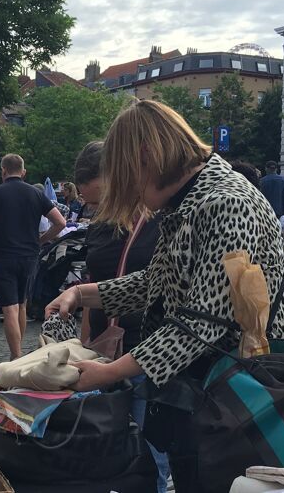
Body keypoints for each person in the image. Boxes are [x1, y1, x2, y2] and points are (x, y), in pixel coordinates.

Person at [43, 100, 284, 490]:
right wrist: (83, 294)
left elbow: (204, 320)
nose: (131, 193)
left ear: (148, 156)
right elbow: (159, 280)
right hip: (207, 392)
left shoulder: (225, 203)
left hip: (241, 390)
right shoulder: (192, 201)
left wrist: (111, 371)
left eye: (129, 177)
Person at [71, 140, 170, 492]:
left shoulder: (161, 219)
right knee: (104, 450)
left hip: (147, 353)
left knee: (149, 458)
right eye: (90, 202)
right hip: (104, 351)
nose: (93, 207)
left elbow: (156, 285)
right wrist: (83, 345)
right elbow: (94, 285)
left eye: (97, 199)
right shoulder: (101, 224)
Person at [0, 154, 66, 359]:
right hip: (29, 256)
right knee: (21, 305)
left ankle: (16, 356)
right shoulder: (36, 193)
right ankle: (18, 355)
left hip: (4, 255)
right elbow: (61, 223)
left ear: (3, 171)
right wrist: (41, 240)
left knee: (8, 308)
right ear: (23, 172)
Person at [260, 160, 284, 230]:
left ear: (266, 168)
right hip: (280, 215)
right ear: (276, 169)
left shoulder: (261, 181)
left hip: (264, 215)